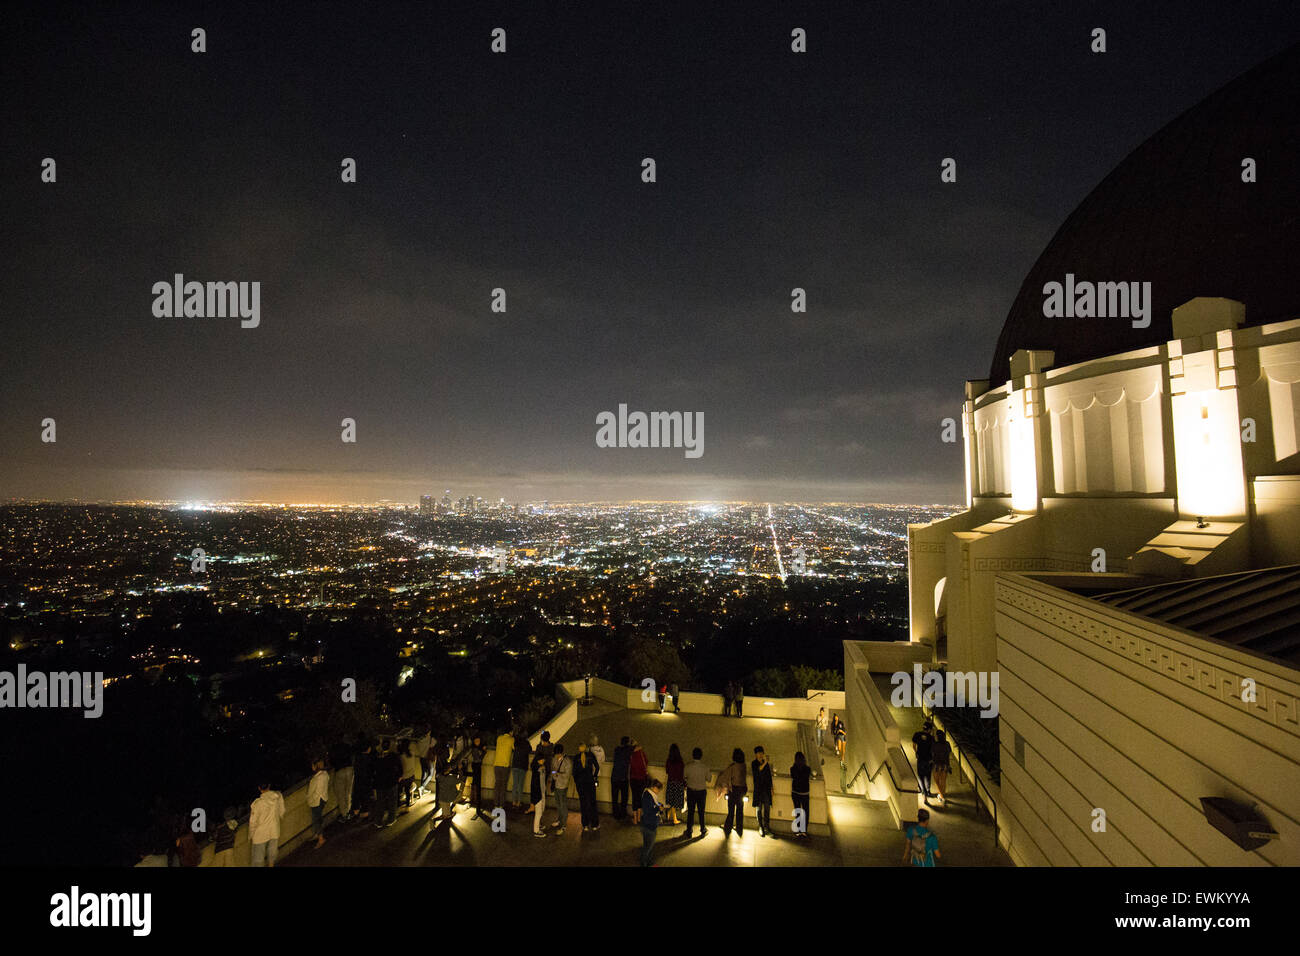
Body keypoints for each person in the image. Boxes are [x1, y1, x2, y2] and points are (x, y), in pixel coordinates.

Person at [249, 782, 285, 866]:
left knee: (258, 858)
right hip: (274, 830)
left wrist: (251, 835)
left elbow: (253, 822)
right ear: (269, 785)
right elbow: (282, 811)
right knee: (272, 853)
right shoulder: (277, 796)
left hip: (260, 834)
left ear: (259, 788)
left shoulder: (257, 804)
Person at [716, 748, 748, 837]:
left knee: (731, 811)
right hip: (742, 790)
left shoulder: (733, 766)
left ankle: (728, 828)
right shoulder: (744, 766)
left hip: (734, 790)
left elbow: (725, 777)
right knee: (740, 810)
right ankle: (739, 829)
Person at [571, 741, 601, 831]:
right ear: (586, 748)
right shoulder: (590, 755)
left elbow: (574, 772)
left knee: (583, 803)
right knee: (592, 802)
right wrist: (594, 776)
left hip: (580, 783)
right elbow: (597, 767)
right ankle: (595, 824)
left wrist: (577, 781)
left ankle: (585, 825)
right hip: (590, 781)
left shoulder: (576, 757)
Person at [374, 742, 402, 828]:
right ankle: (391, 819)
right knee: (392, 801)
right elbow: (399, 767)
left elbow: (373, 769)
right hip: (391, 782)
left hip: (380, 783)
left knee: (380, 802)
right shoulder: (393, 756)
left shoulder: (377, 757)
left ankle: (378, 821)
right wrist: (399, 776)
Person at [683, 747, 710, 838]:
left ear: (692, 755)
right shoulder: (705, 767)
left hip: (691, 791)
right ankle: (702, 829)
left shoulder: (688, 766)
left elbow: (684, 777)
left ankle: (689, 830)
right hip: (701, 791)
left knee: (690, 811)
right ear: (701, 756)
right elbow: (709, 779)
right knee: (701, 811)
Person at [639, 779, 664, 867]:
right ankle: (644, 862)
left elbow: (654, 804)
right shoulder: (647, 796)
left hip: (650, 823)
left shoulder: (651, 795)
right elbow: (648, 810)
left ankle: (648, 861)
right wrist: (658, 809)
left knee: (649, 845)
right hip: (648, 825)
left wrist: (659, 806)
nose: (658, 792)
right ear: (653, 787)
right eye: (658, 790)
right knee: (648, 846)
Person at [751, 746, 774, 838]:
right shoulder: (754, 763)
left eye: (762, 753)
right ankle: (760, 826)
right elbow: (758, 770)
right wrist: (765, 763)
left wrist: (772, 788)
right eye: (759, 753)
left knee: (767, 809)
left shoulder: (766, 764)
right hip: (758, 790)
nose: (760, 755)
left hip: (766, 790)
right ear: (756, 755)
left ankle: (767, 827)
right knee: (759, 809)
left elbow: (769, 776)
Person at [529, 731, 554, 815]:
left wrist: (540, 744)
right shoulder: (551, 747)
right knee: (542, 789)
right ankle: (540, 807)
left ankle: (534, 806)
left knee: (535, 788)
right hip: (546, 771)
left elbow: (537, 757)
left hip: (538, 770)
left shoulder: (539, 747)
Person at [307, 757, 330, 848]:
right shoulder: (325, 775)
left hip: (316, 801)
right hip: (323, 799)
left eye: (313, 765)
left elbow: (312, 792)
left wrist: (309, 798)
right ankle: (317, 834)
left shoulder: (316, 778)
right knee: (317, 818)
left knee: (316, 819)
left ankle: (321, 838)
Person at [550, 744, 572, 833]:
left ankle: (563, 824)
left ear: (561, 753)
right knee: (558, 804)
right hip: (556, 784)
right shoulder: (554, 759)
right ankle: (559, 819)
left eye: (557, 754)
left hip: (563, 786)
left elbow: (567, 775)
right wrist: (556, 774)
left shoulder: (567, 762)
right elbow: (553, 770)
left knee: (563, 804)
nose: (556, 756)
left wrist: (557, 774)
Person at [330, 742, 354, 822]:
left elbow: (332, 761)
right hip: (349, 769)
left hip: (340, 770)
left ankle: (345, 814)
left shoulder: (333, 748)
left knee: (341, 793)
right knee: (349, 792)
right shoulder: (347, 745)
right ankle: (349, 811)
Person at [789, 752, 811, 838]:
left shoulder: (792, 769)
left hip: (795, 793)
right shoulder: (808, 769)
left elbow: (794, 777)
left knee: (798, 812)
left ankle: (798, 830)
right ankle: (804, 831)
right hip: (805, 793)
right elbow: (805, 778)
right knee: (806, 812)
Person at [353, 737, 375, 821]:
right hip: (366, 781)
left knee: (357, 796)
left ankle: (356, 812)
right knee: (366, 798)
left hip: (358, 780)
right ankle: (365, 814)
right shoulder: (369, 759)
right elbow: (371, 771)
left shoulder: (357, 758)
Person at [664, 744, 686, 825]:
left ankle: (669, 812)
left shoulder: (669, 761)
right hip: (679, 783)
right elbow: (682, 773)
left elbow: (667, 771)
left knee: (672, 801)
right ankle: (674, 819)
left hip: (671, 782)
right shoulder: (680, 762)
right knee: (676, 802)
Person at [628, 739, 649, 825]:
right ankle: (640, 818)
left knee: (635, 798)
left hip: (633, 779)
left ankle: (635, 819)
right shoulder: (641, 753)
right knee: (640, 797)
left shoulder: (630, 754)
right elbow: (646, 762)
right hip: (642, 779)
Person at [611, 736, 632, 820]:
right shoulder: (628, 750)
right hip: (623, 778)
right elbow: (637, 747)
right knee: (624, 797)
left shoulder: (617, 749)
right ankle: (623, 813)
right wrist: (632, 743)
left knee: (614, 797)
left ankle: (615, 814)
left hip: (614, 777)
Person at [912, 720, 934, 799]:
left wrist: (917, 753)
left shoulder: (917, 734)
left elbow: (914, 745)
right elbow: (932, 749)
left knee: (920, 775)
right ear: (929, 730)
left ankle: (923, 790)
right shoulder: (931, 738)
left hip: (920, 758)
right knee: (928, 775)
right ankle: (928, 791)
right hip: (928, 759)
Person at [493, 727, 514, 810]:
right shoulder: (511, 739)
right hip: (505, 765)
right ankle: (501, 804)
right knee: (503, 785)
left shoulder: (499, 738)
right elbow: (514, 748)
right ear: (510, 732)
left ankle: (495, 803)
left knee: (497, 784)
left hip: (497, 764)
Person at [510, 729, 531, 809]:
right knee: (520, 785)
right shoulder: (527, 743)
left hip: (515, 765)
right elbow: (530, 750)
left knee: (515, 784)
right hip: (522, 766)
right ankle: (518, 802)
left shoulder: (516, 742)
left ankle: (513, 802)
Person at [530, 746, 548, 837]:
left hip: (539, 793)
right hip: (538, 794)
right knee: (538, 812)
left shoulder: (538, 768)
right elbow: (537, 784)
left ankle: (537, 828)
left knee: (540, 811)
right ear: (538, 760)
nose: (543, 761)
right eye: (542, 760)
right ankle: (536, 831)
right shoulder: (539, 770)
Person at [931, 730, 952, 805]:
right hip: (945, 764)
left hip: (937, 764)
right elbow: (949, 753)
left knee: (937, 781)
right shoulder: (947, 744)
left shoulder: (935, 744)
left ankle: (942, 797)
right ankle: (942, 794)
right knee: (943, 780)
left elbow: (932, 752)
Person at [469, 733, 487, 819]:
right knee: (476, 782)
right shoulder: (475, 749)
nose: (477, 742)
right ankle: (474, 800)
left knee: (475, 782)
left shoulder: (477, 748)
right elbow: (478, 759)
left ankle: (474, 799)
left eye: (479, 741)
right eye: (476, 741)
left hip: (477, 765)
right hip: (476, 765)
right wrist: (484, 752)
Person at [400, 741, 422, 811]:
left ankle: (398, 803)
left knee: (399, 789)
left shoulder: (401, 756)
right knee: (407, 791)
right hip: (411, 776)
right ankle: (407, 806)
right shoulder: (412, 753)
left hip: (404, 777)